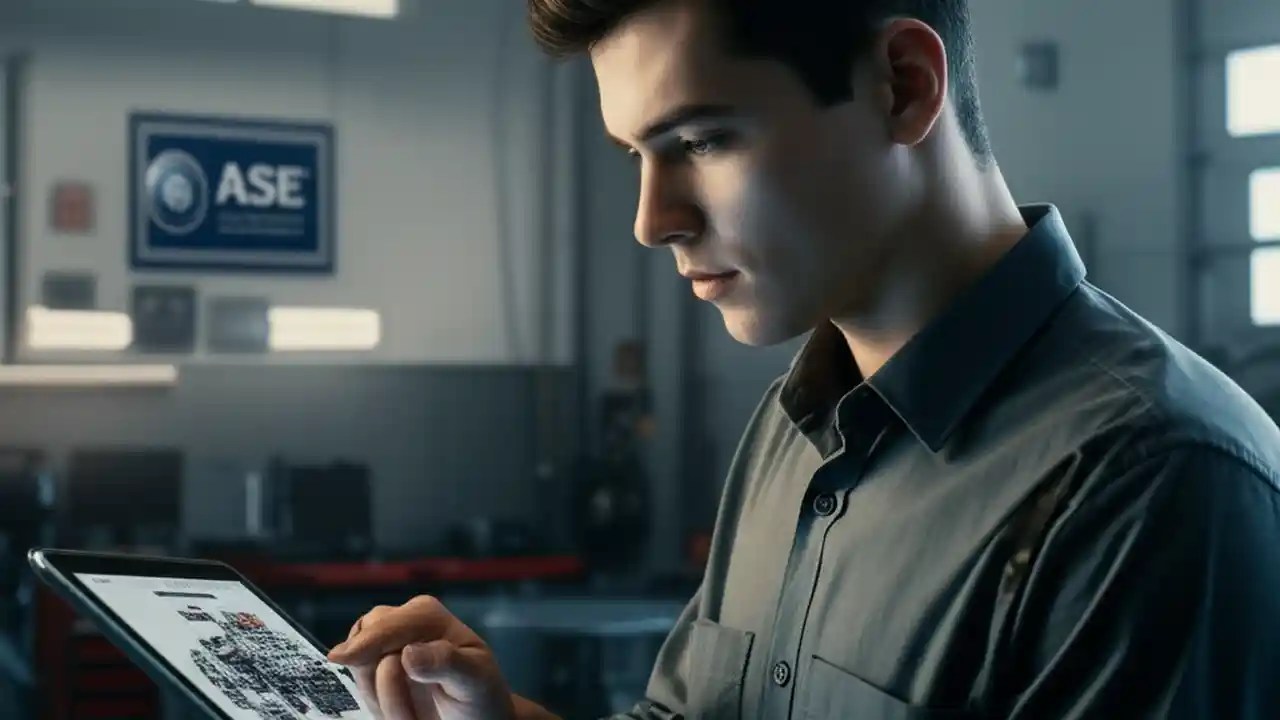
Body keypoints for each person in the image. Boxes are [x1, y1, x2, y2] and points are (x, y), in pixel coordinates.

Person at [326, 0, 1280, 717]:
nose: (654, 221)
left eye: (700, 140)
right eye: (636, 157)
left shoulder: (1156, 484)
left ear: (902, 85)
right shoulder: (796, 430)